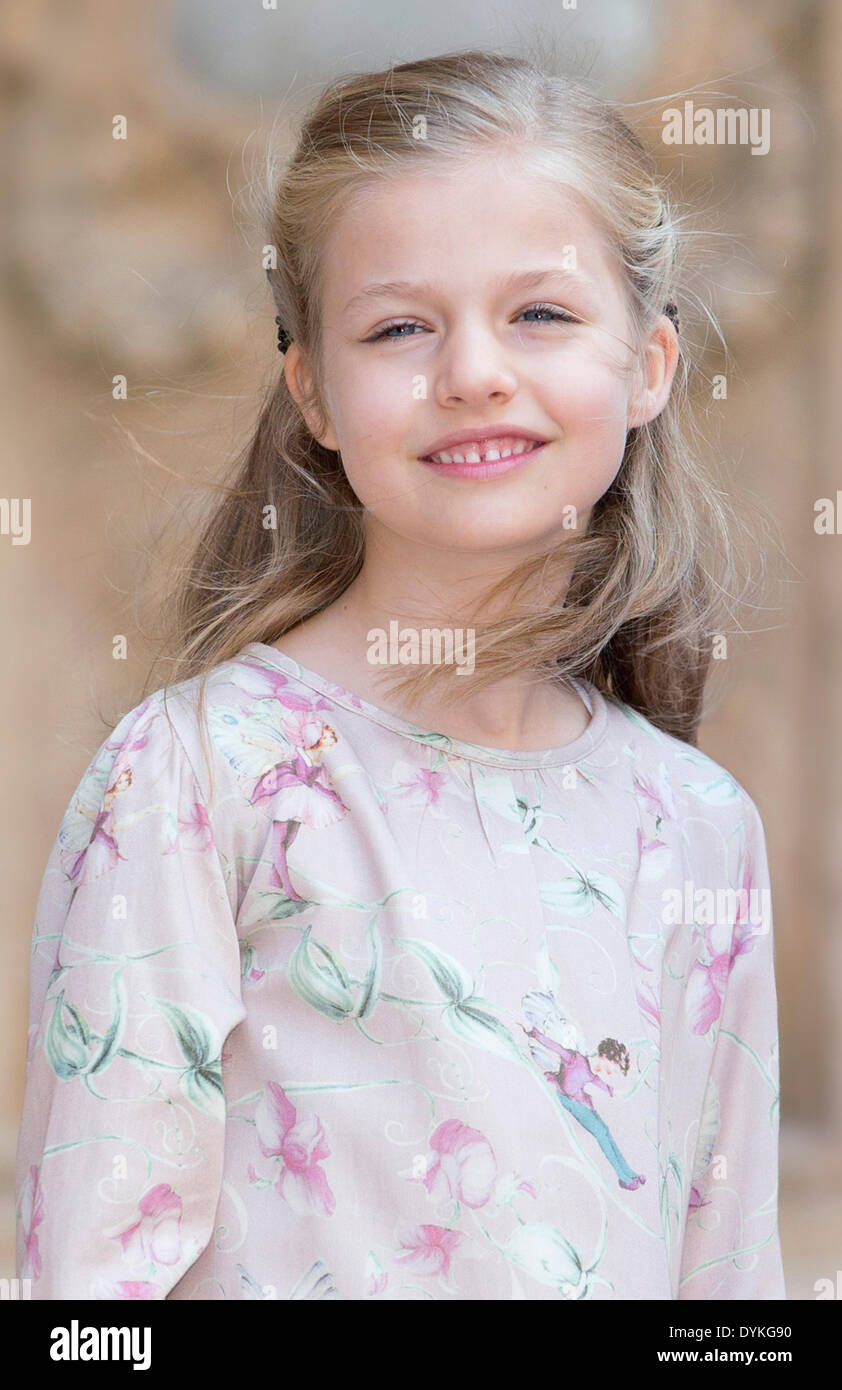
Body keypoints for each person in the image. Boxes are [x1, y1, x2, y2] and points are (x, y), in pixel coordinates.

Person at [14, 49, 786, 1301]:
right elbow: (87, 1298)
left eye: (539, 312)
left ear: (646, 364)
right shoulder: (203, 778)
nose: (473, 370)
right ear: (312, 389)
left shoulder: (699, 831)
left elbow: (726, 1290)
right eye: (398, 327)